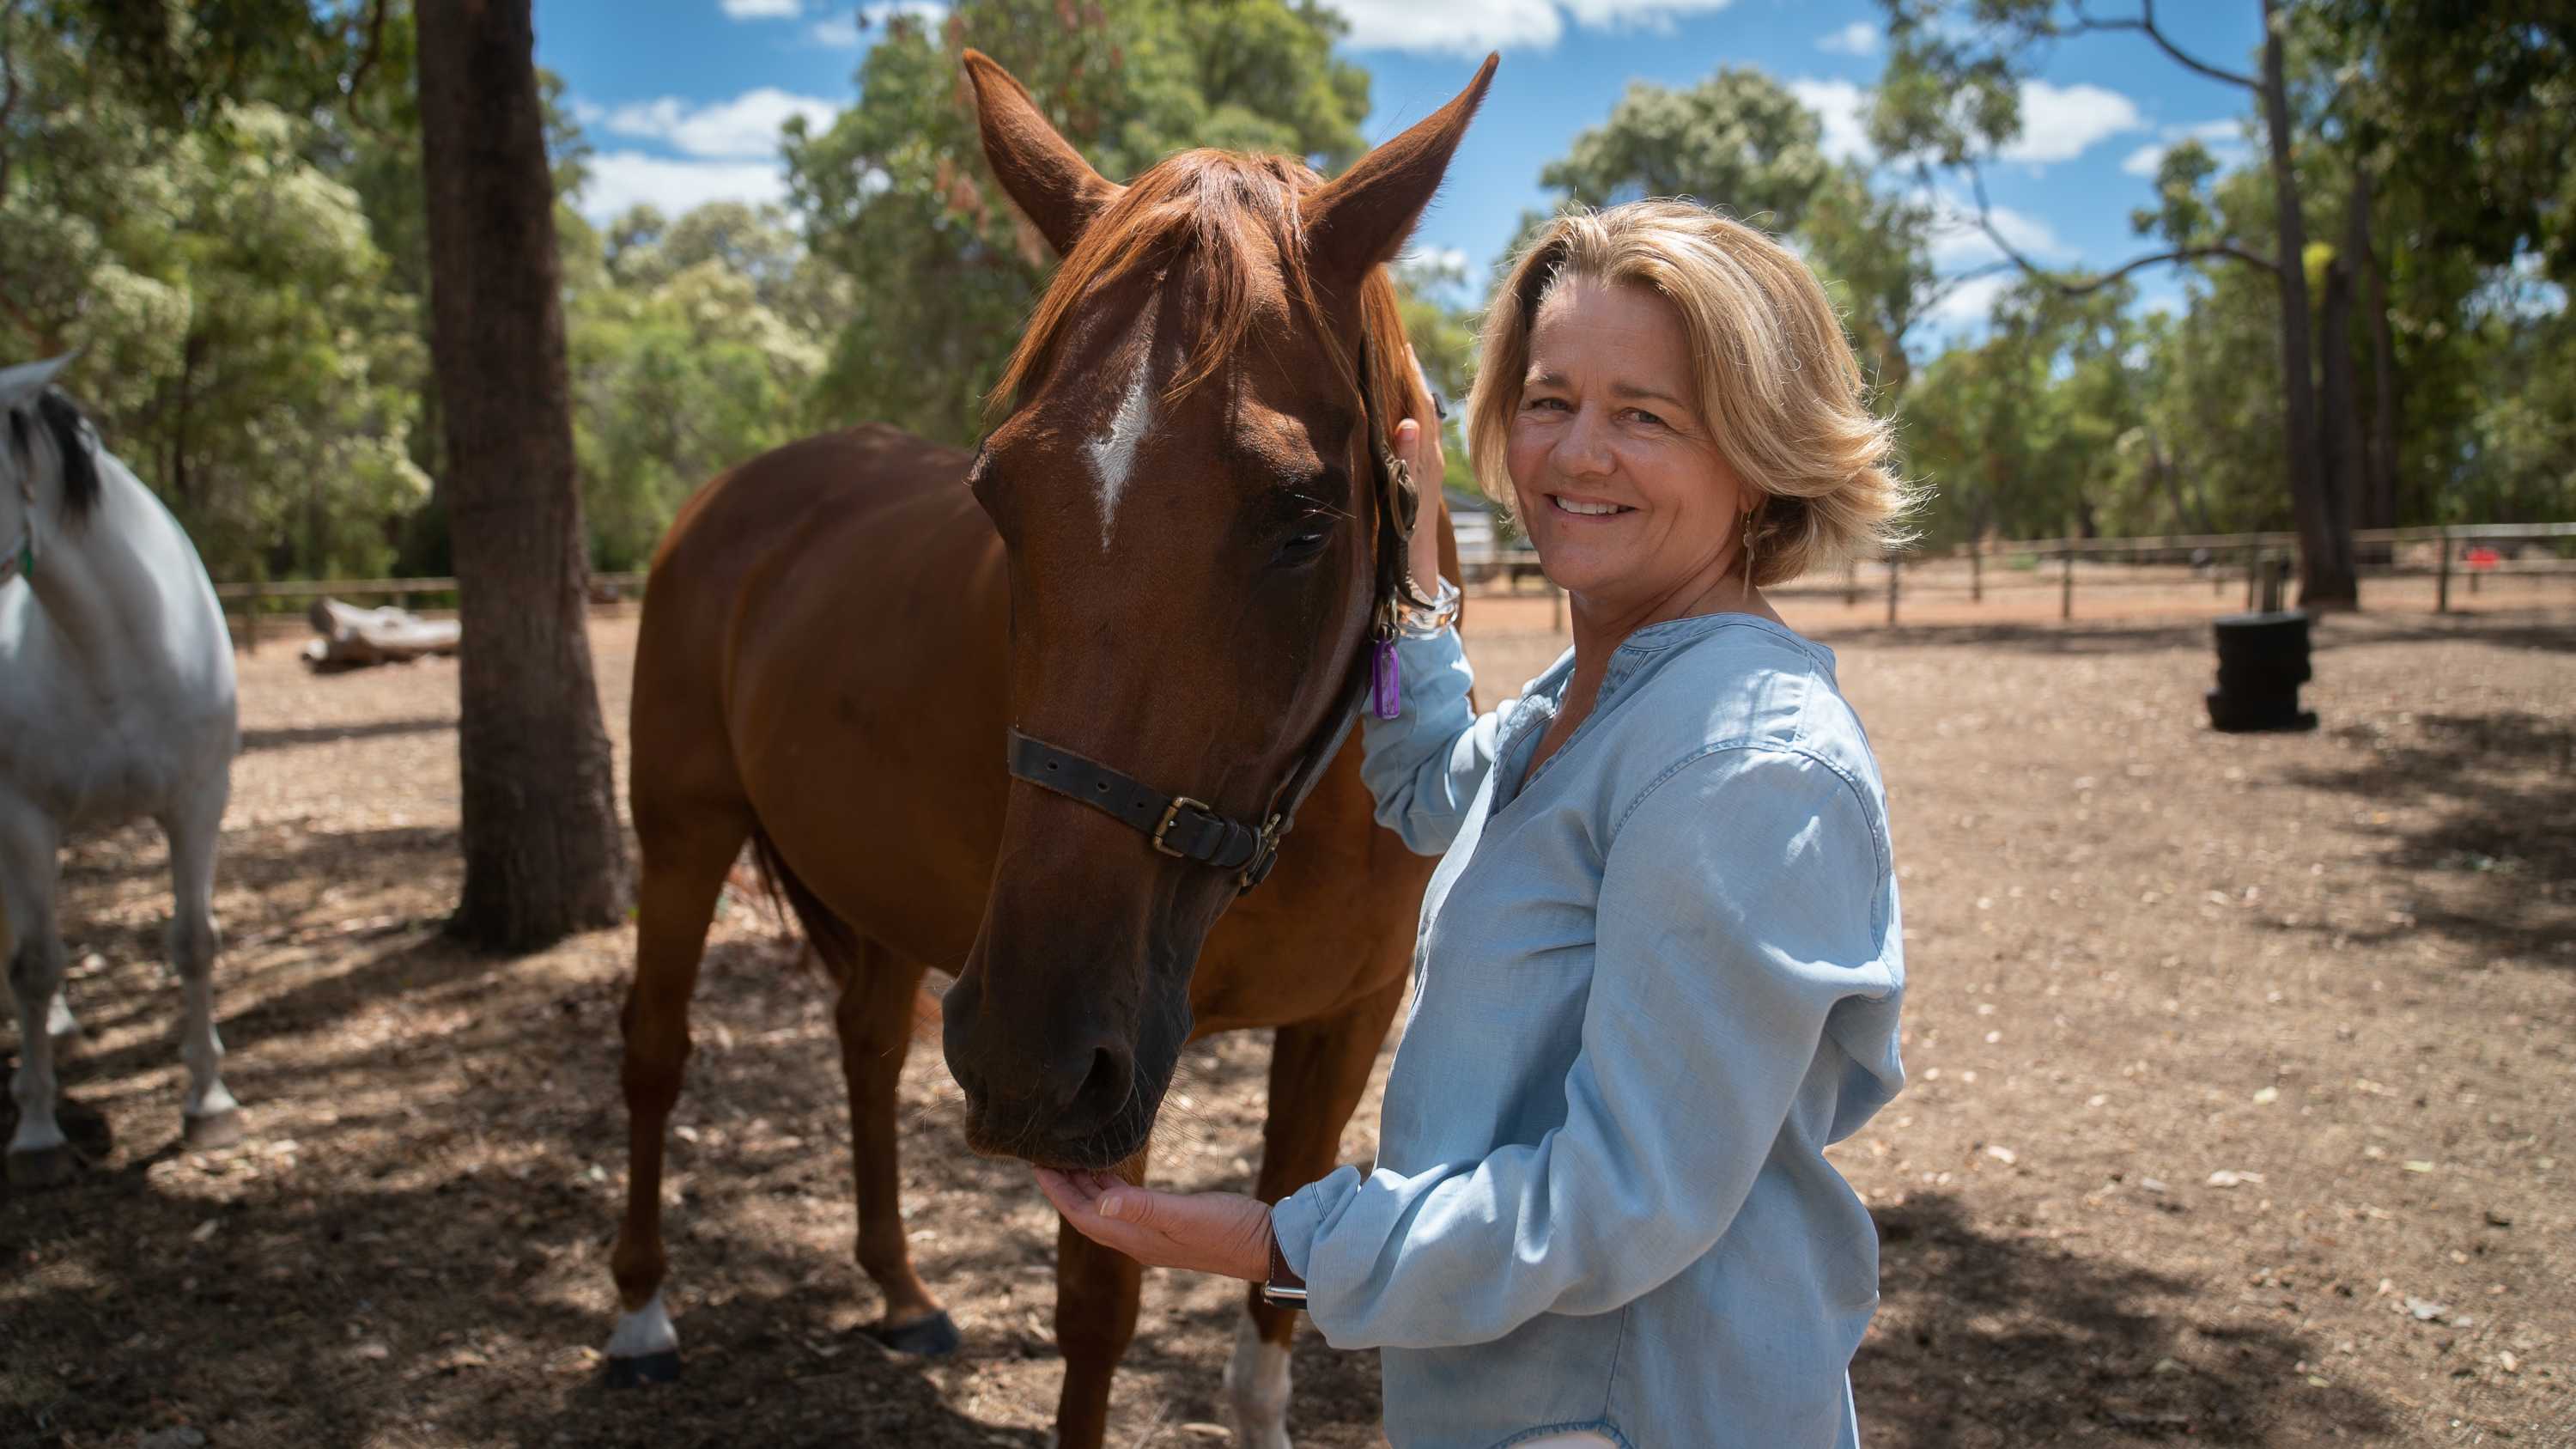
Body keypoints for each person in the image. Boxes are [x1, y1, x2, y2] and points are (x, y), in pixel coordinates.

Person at [1037, 198, 1913, 1448]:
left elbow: (1613, 1206)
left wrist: (1248, 1237)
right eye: (1551, 399)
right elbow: (1431, 782)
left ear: (1761, 454)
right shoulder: (1596, 699)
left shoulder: (1743, 764)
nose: (1575, 455)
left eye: (1646, 415)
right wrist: (1409, 555)